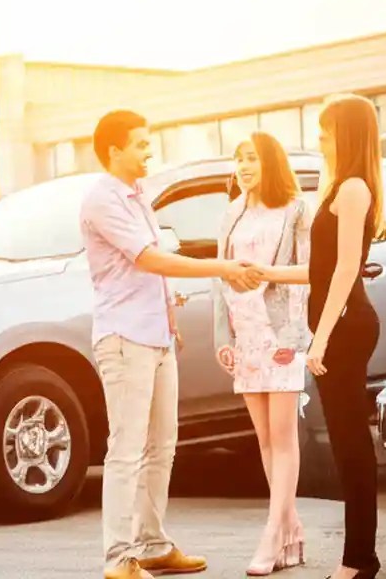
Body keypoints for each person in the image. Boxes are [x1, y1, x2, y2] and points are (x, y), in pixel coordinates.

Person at [80, 109, 264, 579]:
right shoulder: (102, 199)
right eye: (140, 144)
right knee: (126, 449)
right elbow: (148, 259)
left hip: (155, 336)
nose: (148, 151)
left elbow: (148, 268)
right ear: (113, 150)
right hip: (124, 339)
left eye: (149, 142)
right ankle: (119, 559)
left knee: (163, 446)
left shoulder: (137, 196)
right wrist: (222, 268)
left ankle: (153, 545)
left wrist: (169, 318)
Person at [258, 94, 385, 579]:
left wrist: (322, 339)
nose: (319, 138)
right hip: (339, 325)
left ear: (346, 134)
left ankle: (359, 560)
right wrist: (262, 272)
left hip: (348, 328)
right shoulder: (336, 189)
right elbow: (318, 270)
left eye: (326, 130)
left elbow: (346, 271)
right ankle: (359, 557)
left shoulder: (353, 188)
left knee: (352, 444)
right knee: (346, 442)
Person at [211, 132, 310, 576]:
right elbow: (219, 276)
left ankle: (273, 534)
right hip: (245, 332)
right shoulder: (231, 213)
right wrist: (222, 336)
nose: (244, 166)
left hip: (282, 334)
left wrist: (295, 337)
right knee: (265, 440)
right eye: (238, 159)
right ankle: (291, 530)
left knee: (284, 437)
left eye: (251, 157)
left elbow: (308, 275)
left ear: (270, 160)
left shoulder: (295, 209)